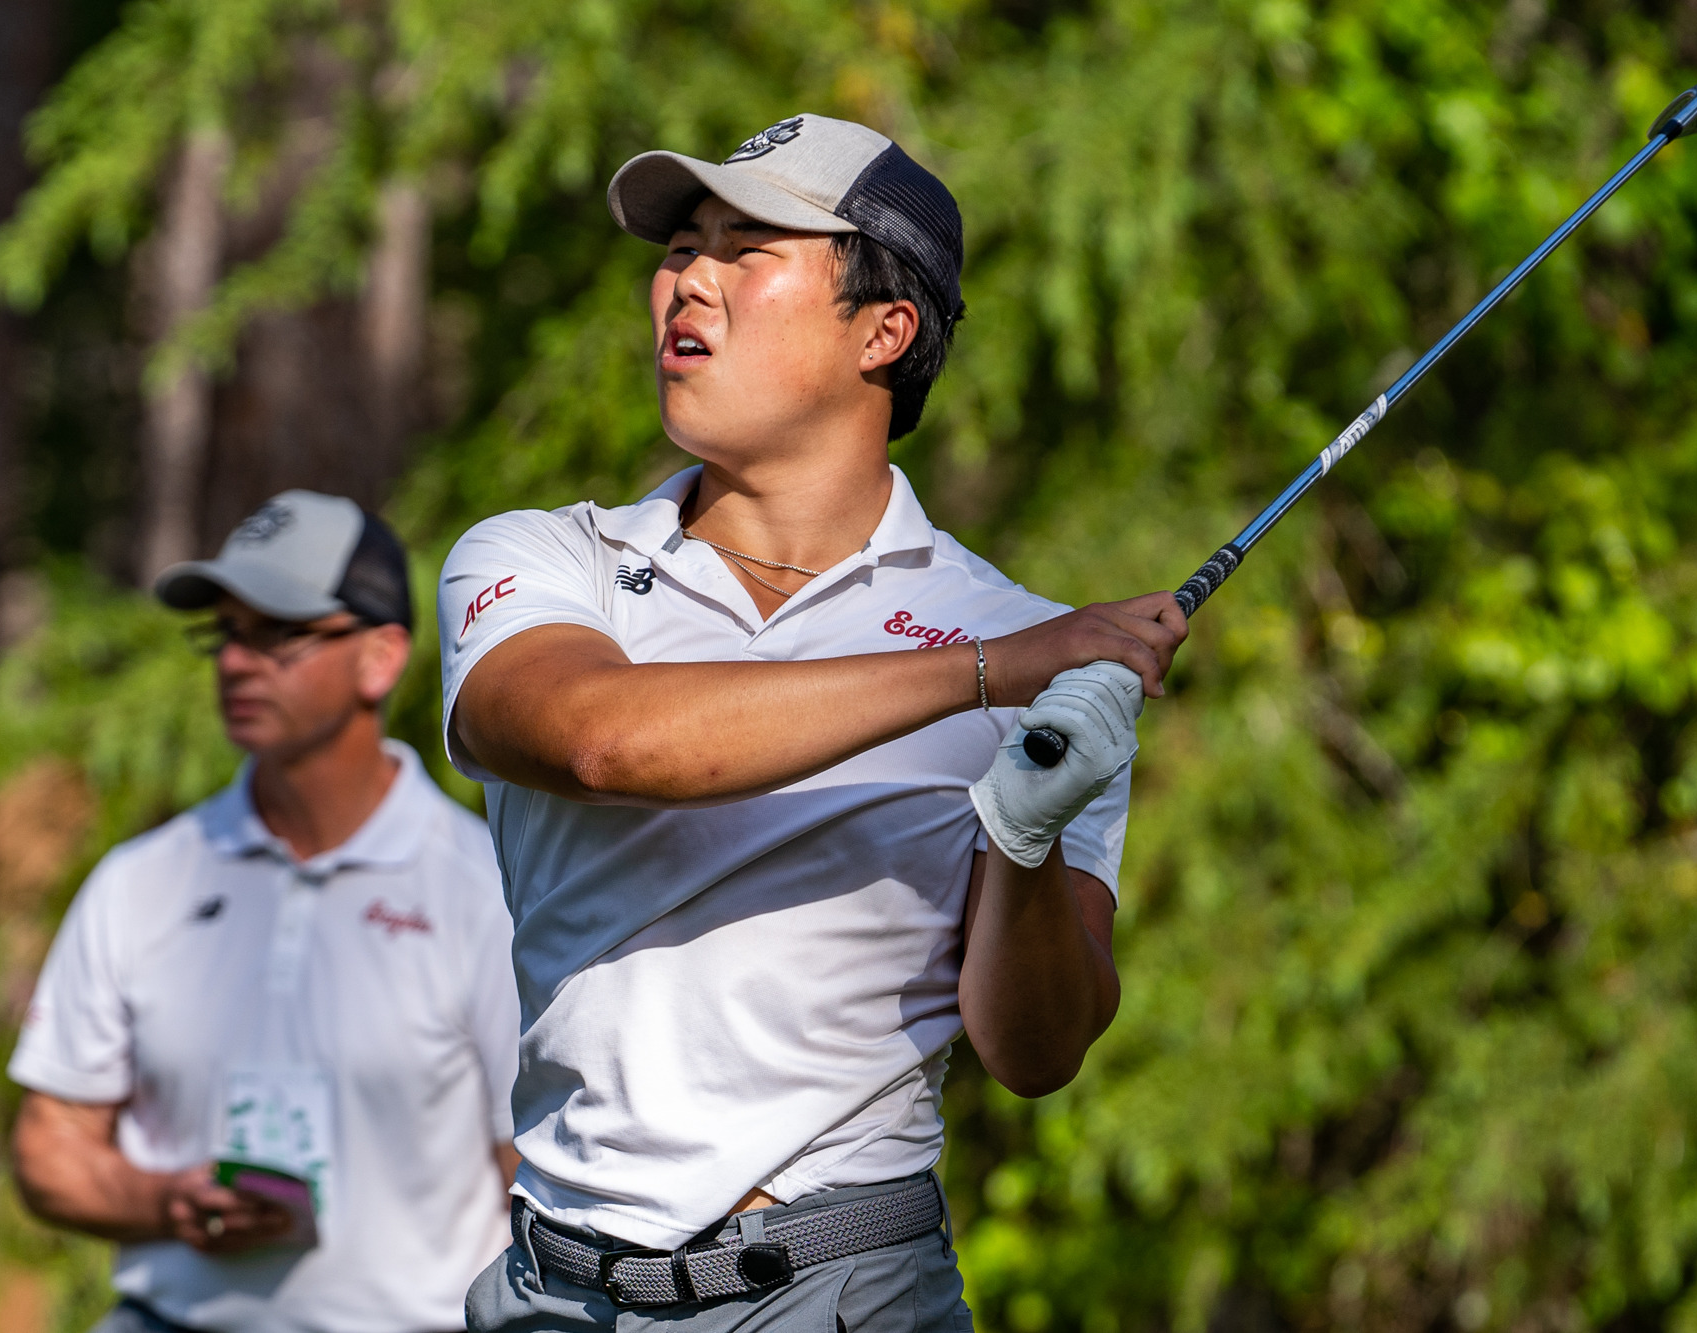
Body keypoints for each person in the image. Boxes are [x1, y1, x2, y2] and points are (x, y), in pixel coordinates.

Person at [440, 115, 1188, 1331]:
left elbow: (1035, 1049)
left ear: (883, 331)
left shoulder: (1027, 646)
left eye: (747, 248)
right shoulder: (542, 557)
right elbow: (597, 740)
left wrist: (1024, 835)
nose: (687, 277)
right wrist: (980, 675)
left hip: (842, 1287)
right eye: (682, 246)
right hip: (551, 1287)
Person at [8, 491, 520, 1333]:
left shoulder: (483, 889)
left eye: (279, 632)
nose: (237, 663)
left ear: (382, 657)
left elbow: (533, 1178)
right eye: (226, 634)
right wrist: (168, 1199)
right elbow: (49, 1145)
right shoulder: (144, 878)